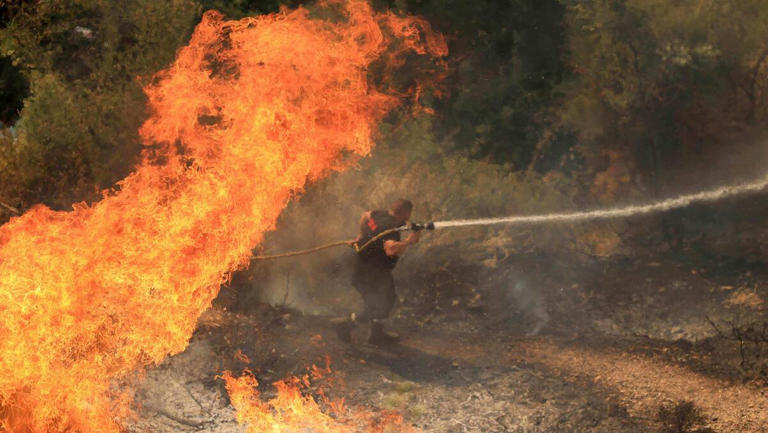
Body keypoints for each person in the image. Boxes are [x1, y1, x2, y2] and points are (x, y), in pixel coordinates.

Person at [335, 199, 421, 345]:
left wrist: (360, 237)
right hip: (372, 274)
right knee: (377, 305)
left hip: (369, 270)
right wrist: (409, 241)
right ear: (406, 213)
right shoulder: (390, 228)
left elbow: (365, 216)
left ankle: (376, 335)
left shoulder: (380, 215)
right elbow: (391, 249)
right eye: (409, 213)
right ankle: (345, 325)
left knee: (387, 299)